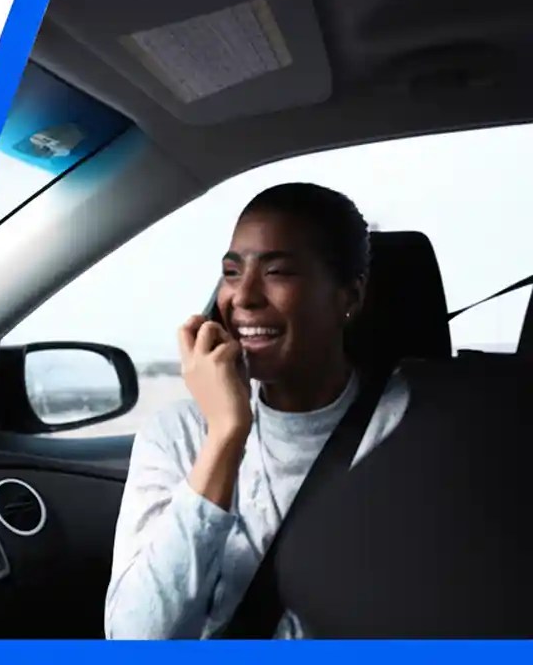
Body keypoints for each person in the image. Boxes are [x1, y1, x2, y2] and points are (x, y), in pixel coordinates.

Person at [102, 182, 410, 638]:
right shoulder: (178, 434)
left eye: (278, 271)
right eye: (231, 272)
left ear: (349, 296)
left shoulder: (410, 429)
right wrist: (226, 435)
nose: (243, 297)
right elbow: (139, 639)